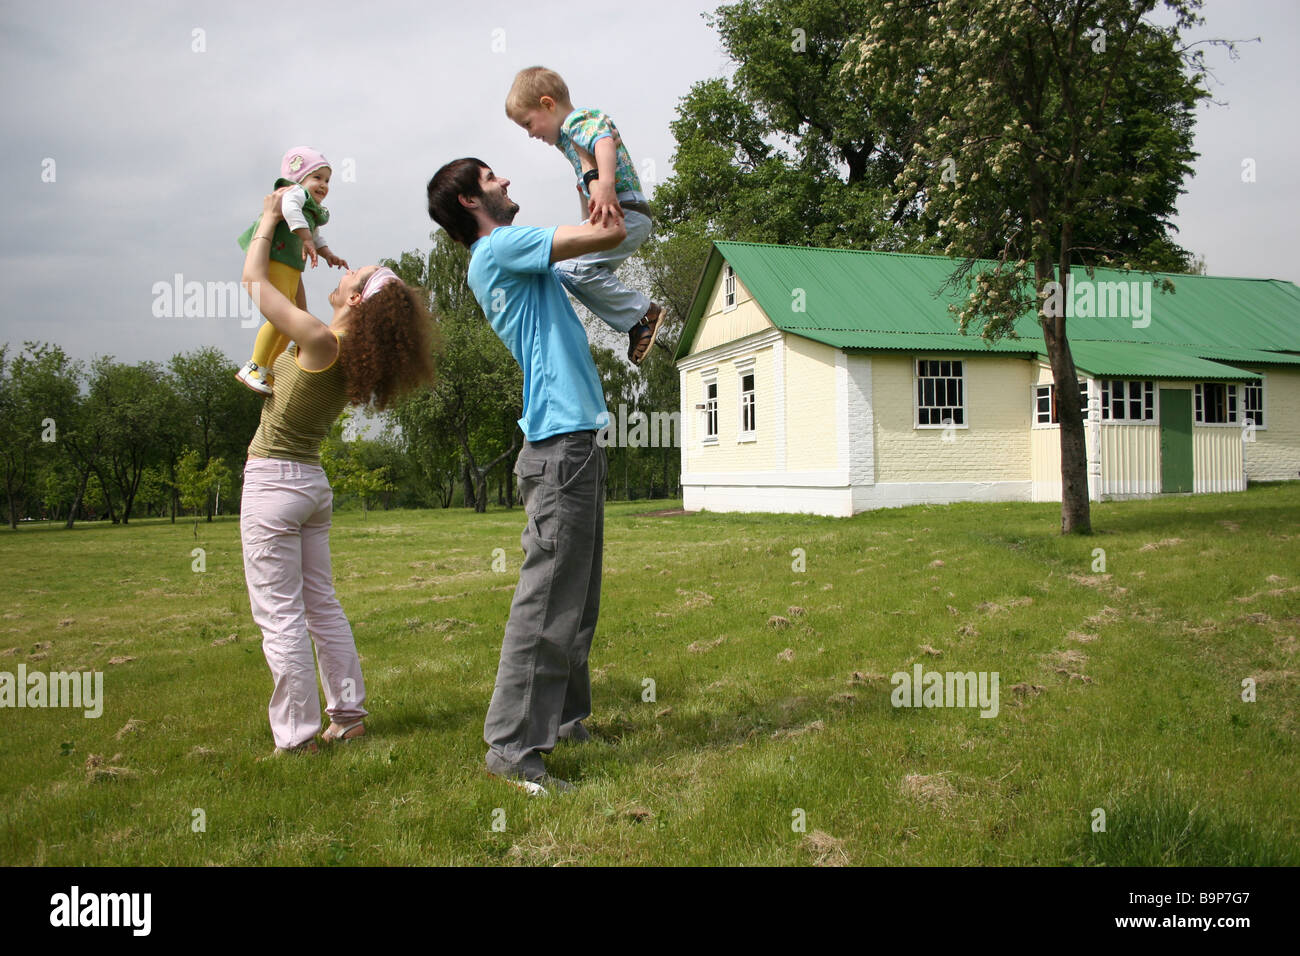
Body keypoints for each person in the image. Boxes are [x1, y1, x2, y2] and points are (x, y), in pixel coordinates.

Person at [427, 157, 625, 795]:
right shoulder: (501, 246)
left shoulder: (508, 254)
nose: (506, 180)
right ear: (467, 201)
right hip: (559, 446)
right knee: (545, 603)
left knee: (578, 598)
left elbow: (583, 259)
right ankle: (510, 749)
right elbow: (606, 236)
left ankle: (565, 721)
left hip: (574, 441)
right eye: (491, 177)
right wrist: (605, 183)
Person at [240, 186, 436, 755]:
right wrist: (295, 247)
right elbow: (287, 295)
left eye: (357, 274)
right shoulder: (337, 345)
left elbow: (254, 287)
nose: (349, 270)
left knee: (279, 615)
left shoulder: (322, 342)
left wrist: (266, 219)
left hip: (274, 485)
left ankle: (297, 737)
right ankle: (347, 716)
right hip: (309, 489)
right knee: (321, 605)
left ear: (356, 301)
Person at [505, 66, 663, 365]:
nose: (530, 134)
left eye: (528, 123)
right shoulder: (568, 140)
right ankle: (637, 317)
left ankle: (642, 314)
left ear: (547, 104)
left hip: (626, 211)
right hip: (625, 213)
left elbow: (603, 140)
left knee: (570, 269)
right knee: (574, 268)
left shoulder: (576, 121)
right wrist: (586, 221)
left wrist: (604, 185)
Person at [236, 147, 350, 395]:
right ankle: (254, 366)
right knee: (282, 319)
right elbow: (289, 209)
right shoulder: (294, 194)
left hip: (291, 269)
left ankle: (266, 368)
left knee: (290, 323)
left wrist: (327, 254)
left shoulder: (310, 211)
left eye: (327, 180)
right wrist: (306, 239)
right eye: (317, 177)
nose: (323, 185)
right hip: (277, 261)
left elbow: (317, 237)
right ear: (300, 178)